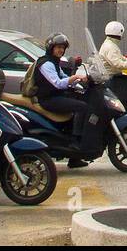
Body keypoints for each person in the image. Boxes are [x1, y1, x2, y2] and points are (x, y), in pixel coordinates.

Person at [33, 33, 92, 167]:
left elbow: (63, 77)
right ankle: (75, 141)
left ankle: (74, 158)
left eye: (62, 48)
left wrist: (79, 81)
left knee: (77, 103)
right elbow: (58, 83)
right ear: (51, 48)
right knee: (81, 107)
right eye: (58, 47)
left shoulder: (54, 62)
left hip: (56, 96)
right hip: (48, 99)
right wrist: (73, 78)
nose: (60, 50)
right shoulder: (46, 64)